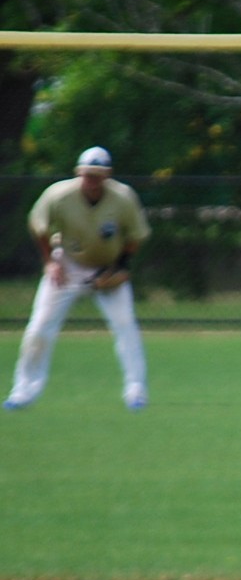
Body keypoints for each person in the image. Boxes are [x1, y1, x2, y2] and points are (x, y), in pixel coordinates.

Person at [4, 146, 152, 412]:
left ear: (108, 175)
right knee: (39, 327)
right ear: (78, 173)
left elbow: (136, 236)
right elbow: (39, 225)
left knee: (126, 326)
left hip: (107, 269)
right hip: (68, 267)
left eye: (98, 175)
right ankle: (23, 391)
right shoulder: (60, 195)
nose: (92, 180)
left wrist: (120, 267)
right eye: (87, 174)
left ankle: (136, 391)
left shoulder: (123, 197)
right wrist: (50, 262)